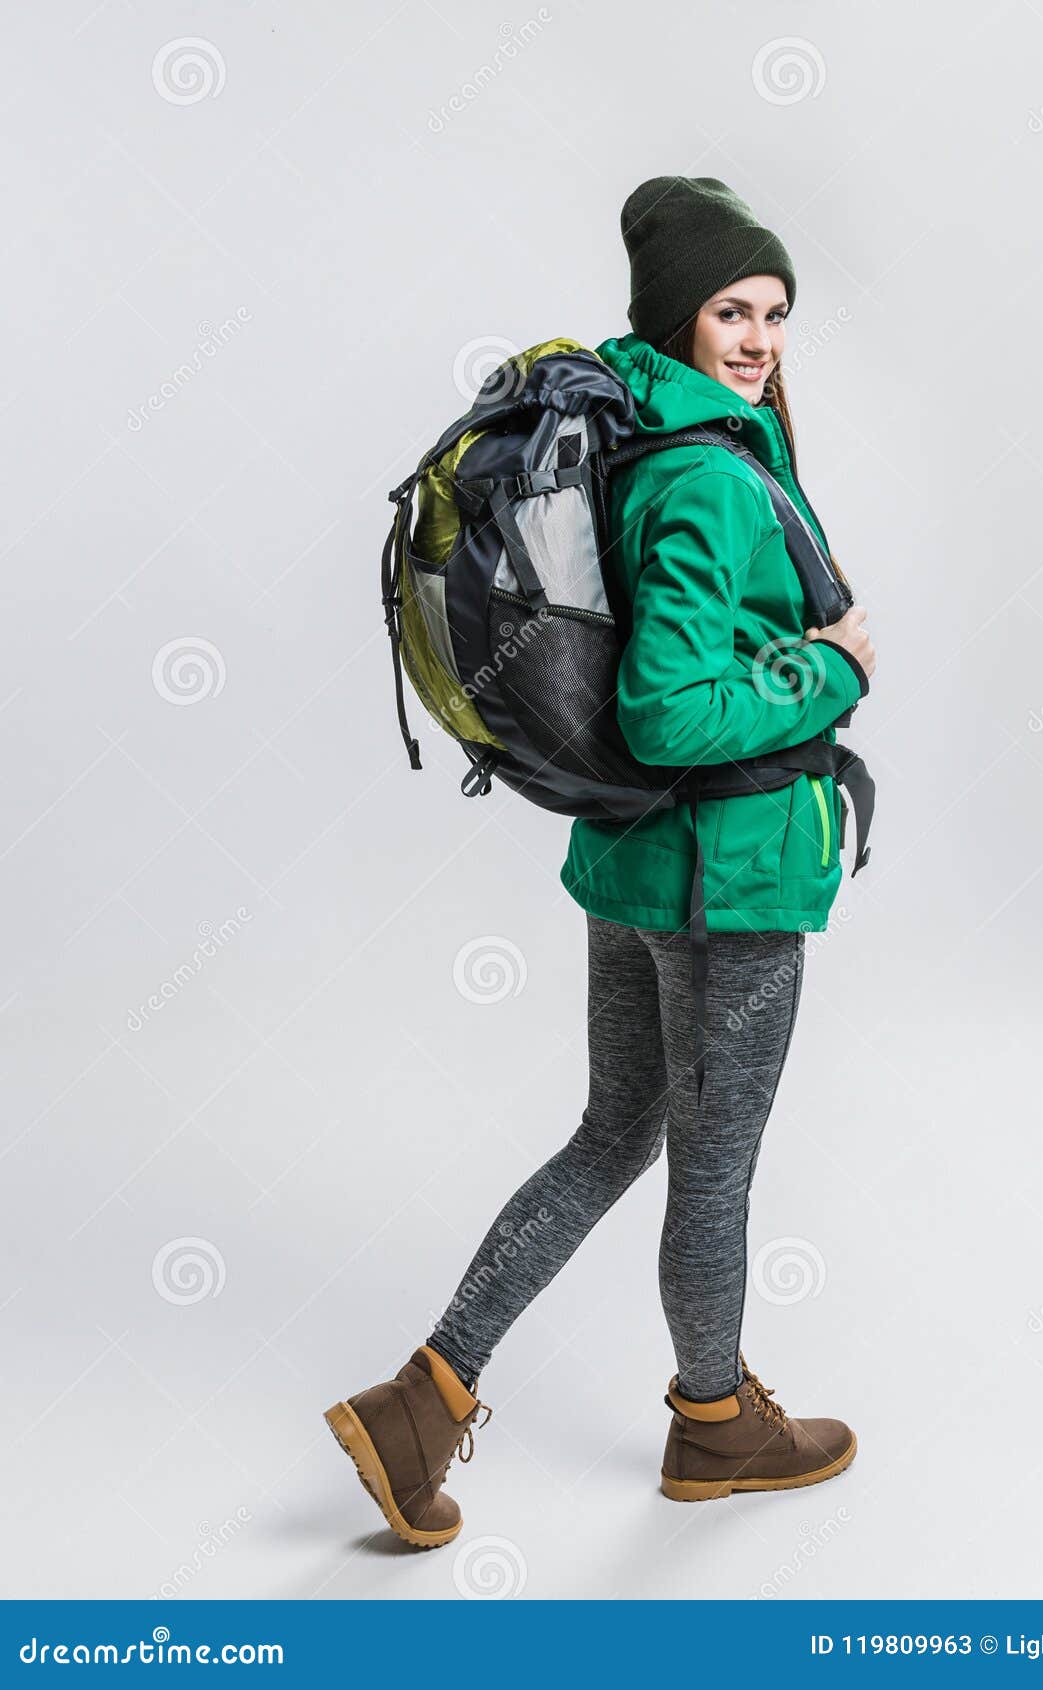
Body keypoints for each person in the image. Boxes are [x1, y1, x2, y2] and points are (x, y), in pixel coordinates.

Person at [324, 177, 877, 1549]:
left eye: (773, 312)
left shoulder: (650, 436)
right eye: (730, 308)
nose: (757, 336)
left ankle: (422, 1399)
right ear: (675, 318)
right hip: (726, 882)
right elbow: (669, 709)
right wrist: (832, 664)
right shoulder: (701, 472)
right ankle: (714, 1421)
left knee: (614, 1130)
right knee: (711, 1168)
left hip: (638, 871)